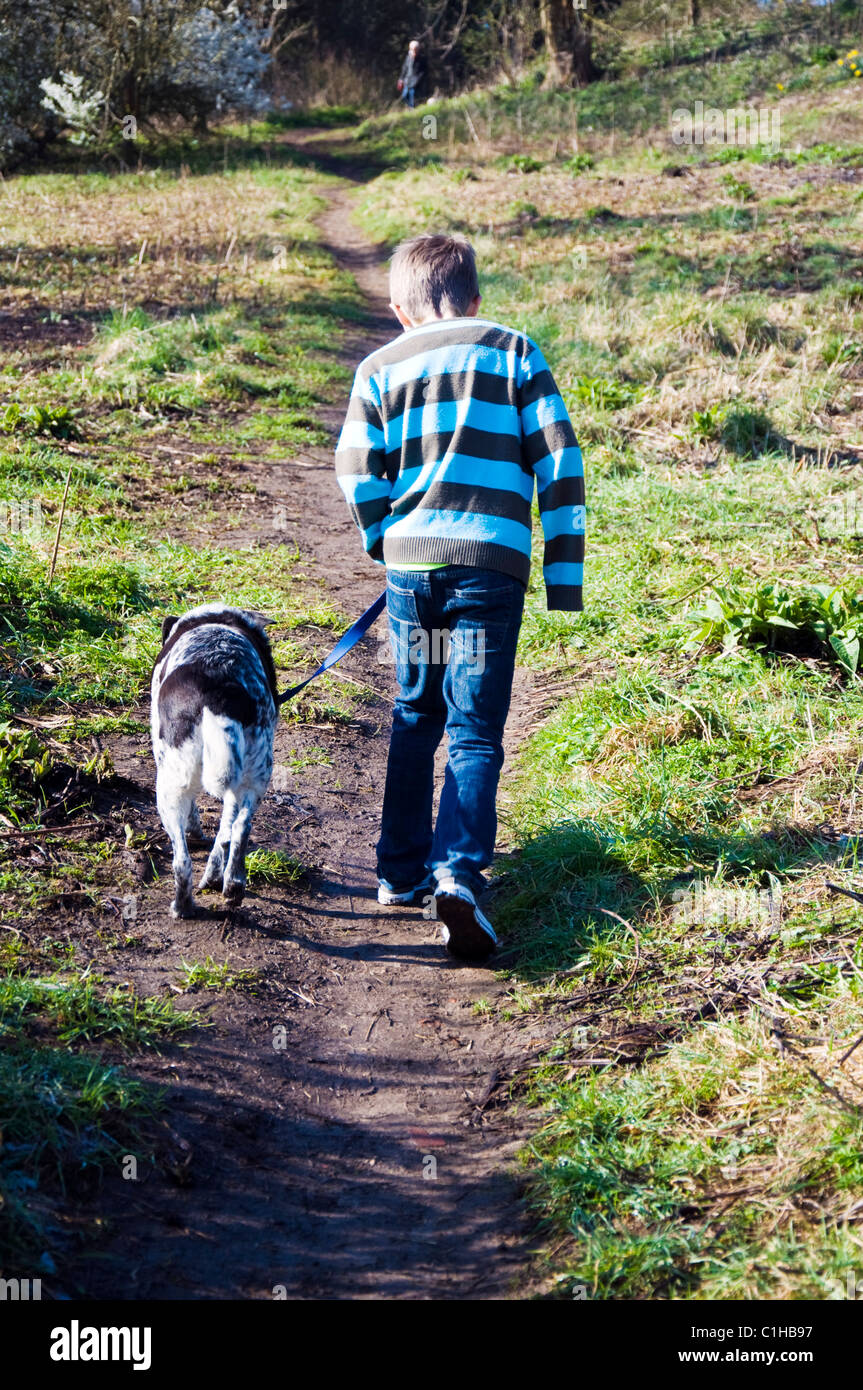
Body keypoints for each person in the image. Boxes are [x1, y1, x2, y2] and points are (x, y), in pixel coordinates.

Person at [335, 234, 585, 962]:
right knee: (474, 728)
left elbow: (356, 471)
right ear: (474, 298)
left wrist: (385, 540)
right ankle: (458, 874)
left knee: (416, 715)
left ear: (397, 309)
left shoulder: (380, 366)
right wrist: (561, 579)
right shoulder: (513, 353)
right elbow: (560, 464)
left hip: (415, 577)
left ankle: (399, 872)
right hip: (487, 572)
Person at [397, 39, 426, 108]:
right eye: (412, 49)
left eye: (415, 49)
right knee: (404, 97)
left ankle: (413, 110)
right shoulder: (408, 58)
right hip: (407, 81)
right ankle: (410, 108)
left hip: (415, 83)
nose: (413, 50)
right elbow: (404, 69)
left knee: (412, 99)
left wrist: (418, 80)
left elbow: (423, 71)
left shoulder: (421, 59)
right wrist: (401, 79)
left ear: (418, 49)